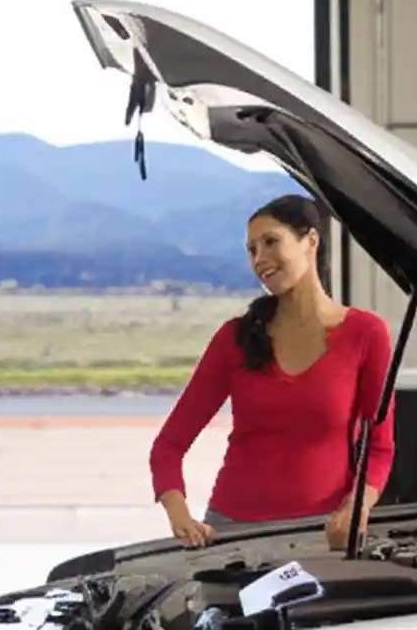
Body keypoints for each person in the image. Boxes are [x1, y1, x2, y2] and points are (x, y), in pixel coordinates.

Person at [148, 194, 395, 550]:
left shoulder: (367, 334)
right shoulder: (234, 338)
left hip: (324, 535)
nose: (259, 259)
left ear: (311, 241)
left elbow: (380, 448)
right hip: (233, 534)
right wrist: (180, 517)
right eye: (251, 250)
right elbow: (167, 447)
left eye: (270, 242)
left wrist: (355, 507)